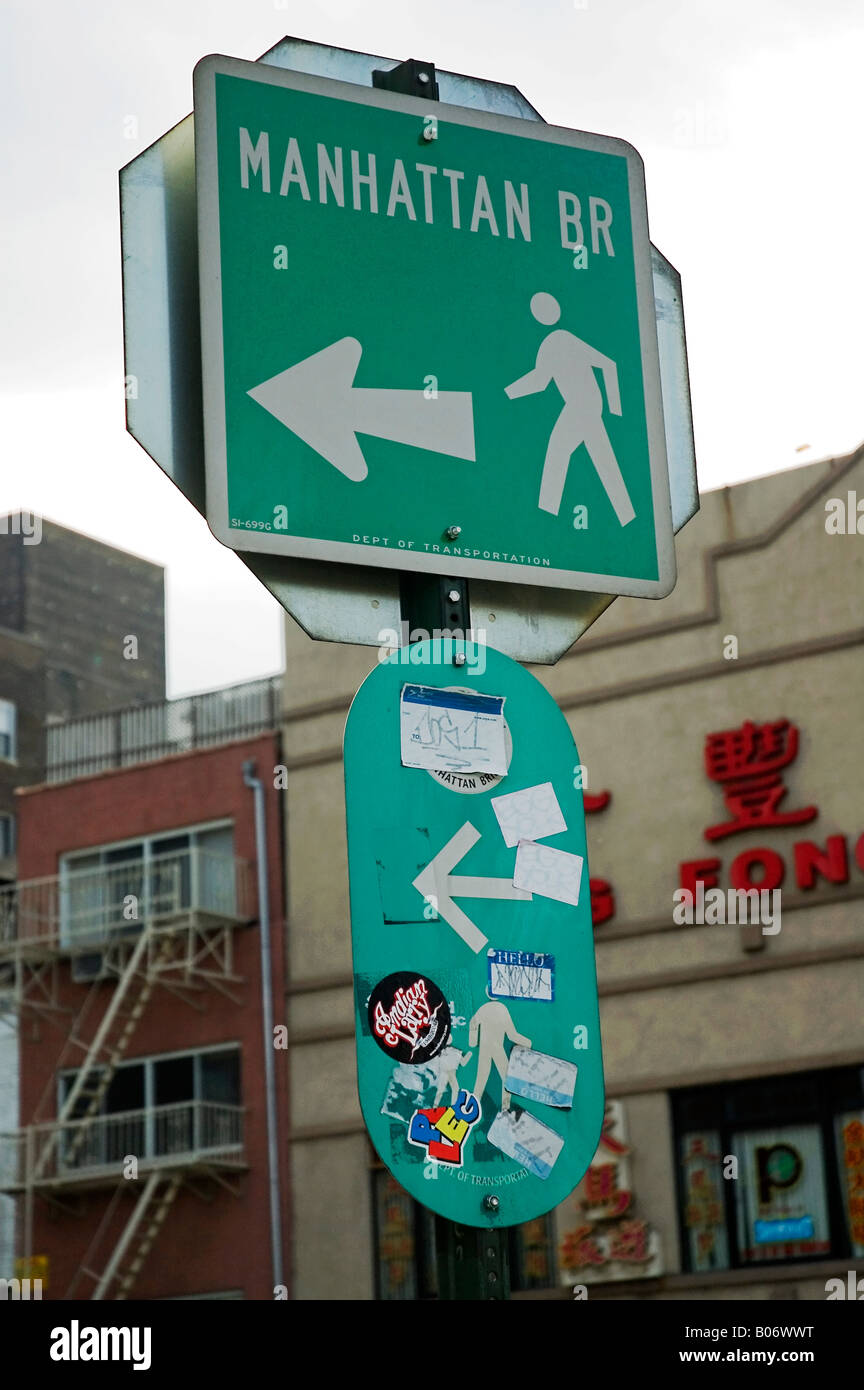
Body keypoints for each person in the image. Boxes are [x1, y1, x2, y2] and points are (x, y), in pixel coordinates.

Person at [505, 291, 636, 525]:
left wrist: (615, 409)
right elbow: (540, 381)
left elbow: (608, 364)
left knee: (559, 451)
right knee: (601, 460)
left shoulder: (562, 339)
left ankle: (546, 515)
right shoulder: (549, 345)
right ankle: (626, 516)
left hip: (582, 407)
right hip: (582, 407)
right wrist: (508, 393)